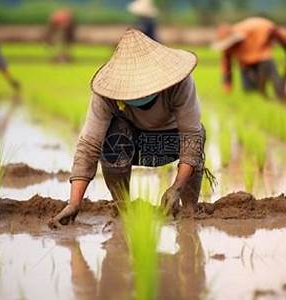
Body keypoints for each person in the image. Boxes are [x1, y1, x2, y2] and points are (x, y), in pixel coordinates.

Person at [49, 29, 211, 229]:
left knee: (198, 134)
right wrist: (74, 203)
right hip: (131, 146)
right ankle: (122, 209)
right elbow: (89, 145)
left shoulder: (179, 84)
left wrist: (176, 187)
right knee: (114, 134)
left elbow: (190, 136)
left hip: (171, 143)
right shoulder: (107, 94)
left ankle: (188, 212)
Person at [212, 17, 286, 100]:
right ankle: (261, 100)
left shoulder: (258, 27)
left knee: (275, 83)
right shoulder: (228, 47)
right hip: (246, 63)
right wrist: (227, 81)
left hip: (263, 57)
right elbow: (226, 62)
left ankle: (283, 98)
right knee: (250, 92)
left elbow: (280, 35)